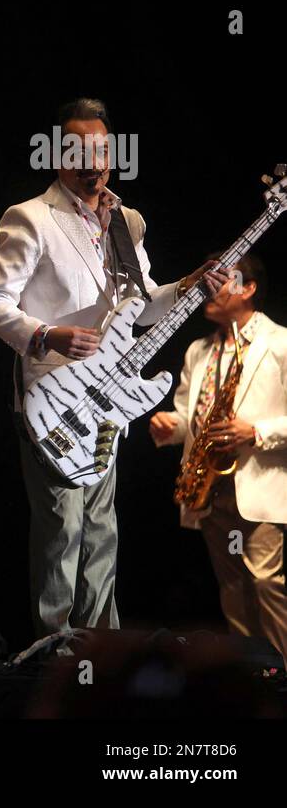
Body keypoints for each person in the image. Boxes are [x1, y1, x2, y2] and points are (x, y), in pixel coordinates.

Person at [0, 96, 225, 636]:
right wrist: (47, 333)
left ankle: (101, 654)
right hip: (54, 400)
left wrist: (187, 285)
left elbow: (143, 301)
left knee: (102, 529)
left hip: (106, 401)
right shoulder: (32, 217)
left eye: (101, 148)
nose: (91, 159)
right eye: (77, 148)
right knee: (62, 530)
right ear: (57, 154)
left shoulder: (127, 221)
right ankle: (55, 655)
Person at [149, 254, 287, 658]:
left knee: (265, 580)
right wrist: (169, 427)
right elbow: (189, 417)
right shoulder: (199, 350)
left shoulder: (279, 343)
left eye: (222, 281)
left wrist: (257, 431)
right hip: (211, 485)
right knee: (232, 586)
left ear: (248, 289)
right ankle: (253, 673)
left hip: (258, 480)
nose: (207, 290)